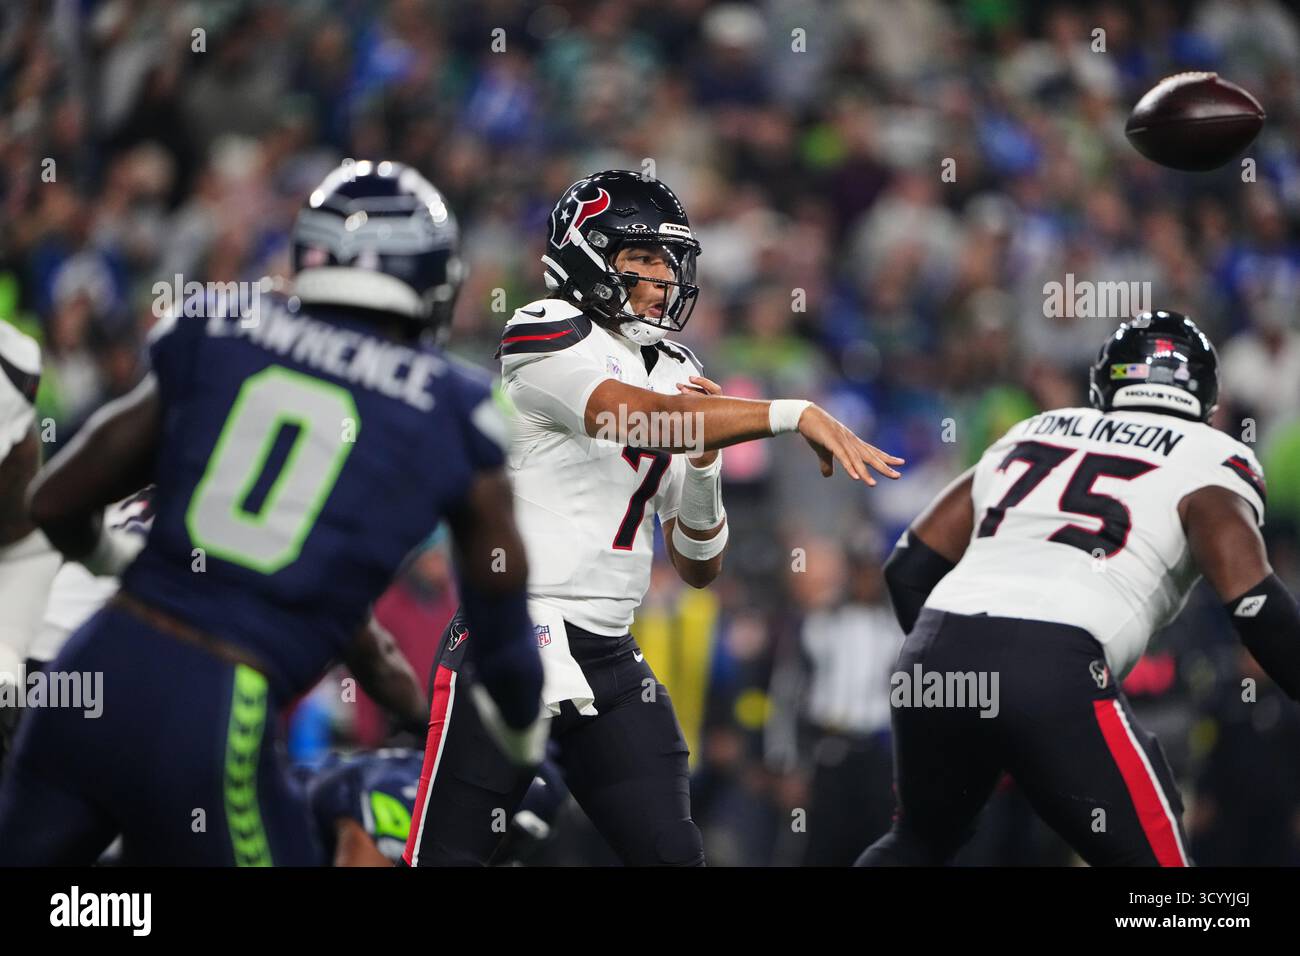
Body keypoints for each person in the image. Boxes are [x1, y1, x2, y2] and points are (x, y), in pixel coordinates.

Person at [0, 160, 544, 865]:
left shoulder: (220, 325)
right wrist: (524, 743)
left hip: (96, 658)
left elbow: (56, 499)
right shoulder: (452, 407)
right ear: (431, 284)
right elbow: (501, 628)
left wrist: (117, 559)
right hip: (214, 705)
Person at [404, 169, 904, 867]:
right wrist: (792, 413)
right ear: (588, 254)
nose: (663, 277)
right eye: (643, 258)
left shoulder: (677, 369)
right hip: (521, 632)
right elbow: (631, 417)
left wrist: (703, 462)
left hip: (611, 650)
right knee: (449, 858)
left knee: (673, 855)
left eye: (670, 261)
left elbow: (699, 565)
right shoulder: (549, 327)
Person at [859, 310, 1300, 867]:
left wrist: (978, 686)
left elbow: (909, 567)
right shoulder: (1210, 456)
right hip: (1055, 666)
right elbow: (1254, 603)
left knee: (916, 844)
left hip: (936, 649)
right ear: (1206, 398)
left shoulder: (1037, 429)